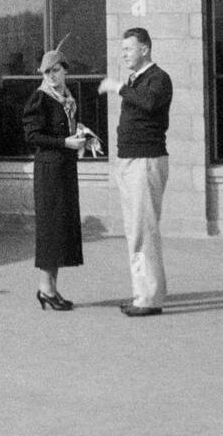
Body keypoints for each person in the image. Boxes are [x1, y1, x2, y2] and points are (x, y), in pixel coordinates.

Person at [100, 27, 173, 318]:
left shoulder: (158, 79)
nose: (124, 54)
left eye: (128, 49)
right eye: (123, 50)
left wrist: (117, 87)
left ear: (145, 49)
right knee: (135, 232)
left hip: (145, 162)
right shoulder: (138, 80)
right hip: (130, 162)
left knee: (143, 232)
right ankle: (144, 292)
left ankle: (148, 298)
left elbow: (150, 103)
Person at [22, 50, 86, 311]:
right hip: (49, 172)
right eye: (47, 72)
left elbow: (66, 127)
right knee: (51, 230)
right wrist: (64, 142)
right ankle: (45, 288)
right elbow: (32, 136)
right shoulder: (41, 98)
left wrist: (81, 135)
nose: (52, 76)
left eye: (56, 70)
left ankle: (51, 288)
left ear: (65, 70)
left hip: (64, 169)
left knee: (61, 230)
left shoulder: (67, 97)